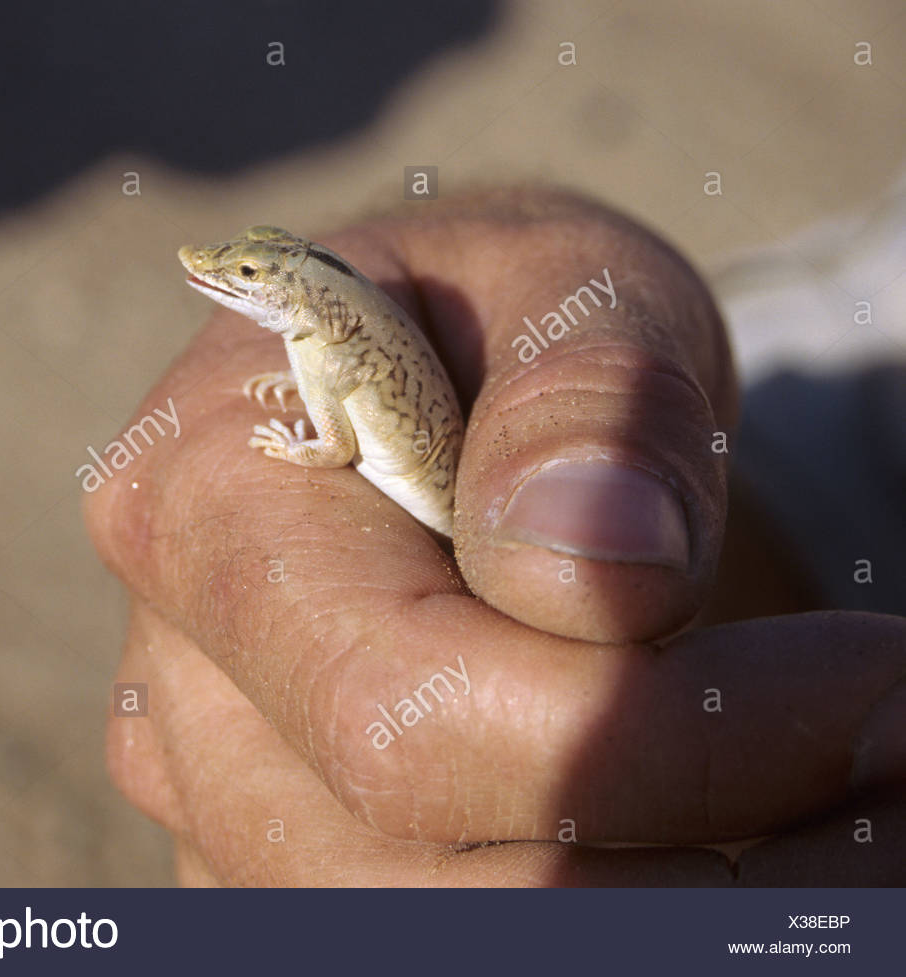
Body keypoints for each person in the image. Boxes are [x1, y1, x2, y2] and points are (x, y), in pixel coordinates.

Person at [84, 186, 906, 885]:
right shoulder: (320, 339)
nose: (219, 271)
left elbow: (333, 447)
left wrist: (296, 446)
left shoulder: (330, 344)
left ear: (302, 299)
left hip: (448, 505)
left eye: (251, 274)